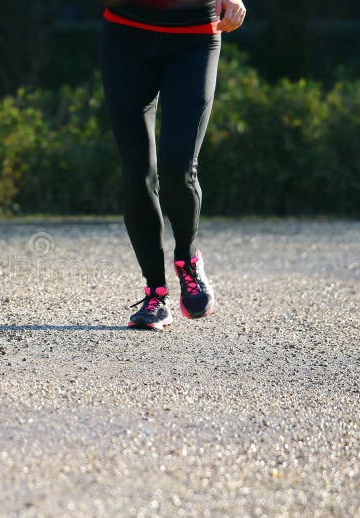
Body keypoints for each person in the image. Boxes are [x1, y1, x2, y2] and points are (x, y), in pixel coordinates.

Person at [100, 0, 246, 330]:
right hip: (126, 31)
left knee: (177, 166)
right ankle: (156, 293)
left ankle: (188, 259)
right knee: (138, 172)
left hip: (194, 32)